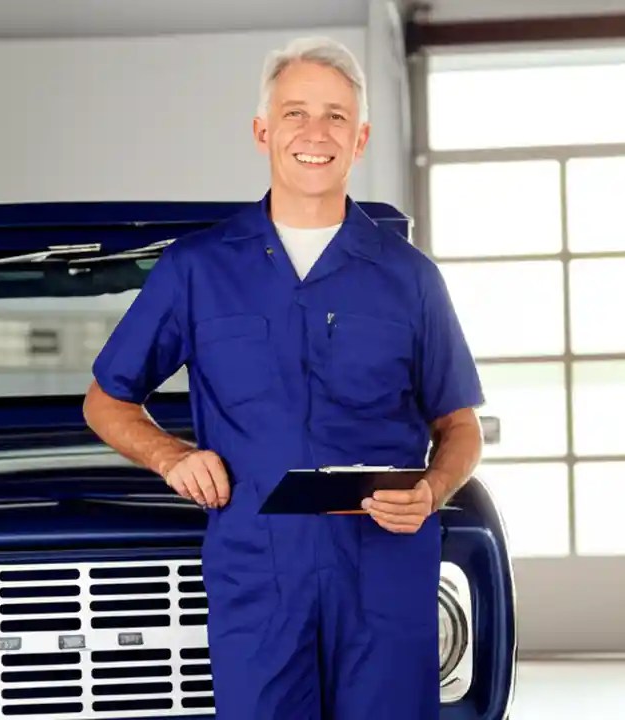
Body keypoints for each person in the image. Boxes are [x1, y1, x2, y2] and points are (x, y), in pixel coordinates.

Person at [82, 36, 484, 720]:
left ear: (360, 139)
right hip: (258, 569)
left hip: (384, 565)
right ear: (263, 130)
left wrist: (431, 488)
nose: (315, 133)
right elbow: (107, 401)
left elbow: (460, 427)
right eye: (295, 112)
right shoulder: (197, 269)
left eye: (335, 116)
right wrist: (172, 455)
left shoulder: (410, 277)